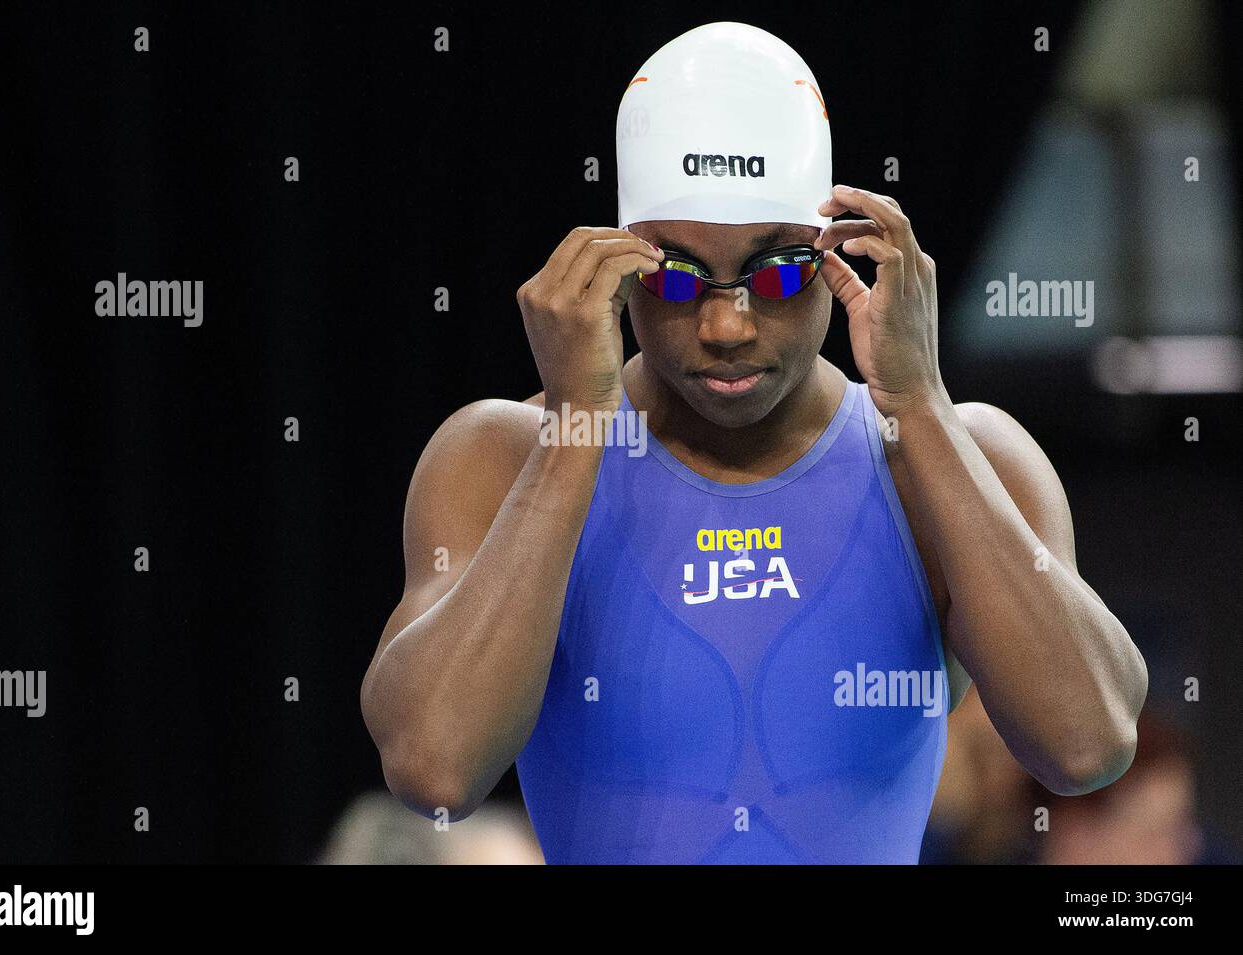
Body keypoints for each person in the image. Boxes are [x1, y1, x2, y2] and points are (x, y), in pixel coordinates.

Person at [361, 21, 1148, 863]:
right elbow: (434, 768)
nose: (727, 324)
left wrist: (919, 406)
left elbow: (1087, 745)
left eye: (775, 272)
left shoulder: (952, 459)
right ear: (618, 263)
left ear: (838, 255)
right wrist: (576, 426)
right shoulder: (503, 453)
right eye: (675, 275)